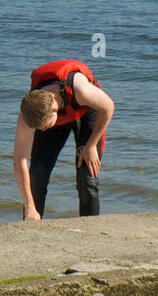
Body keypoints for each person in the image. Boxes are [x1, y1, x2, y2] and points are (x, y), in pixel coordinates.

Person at [13, 59, 115, 220]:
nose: (42, 130)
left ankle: (90, 231)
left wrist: (91, 146)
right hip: (53, 115)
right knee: (37, 177)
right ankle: (32, 222)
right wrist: (30, 207)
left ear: (54, 109)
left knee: (87, 180)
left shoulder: (82, 91)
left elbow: (108, 107)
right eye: (39, 129)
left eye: (44, 127)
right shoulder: (28, 115)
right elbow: (20, 161)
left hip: (87, 113)